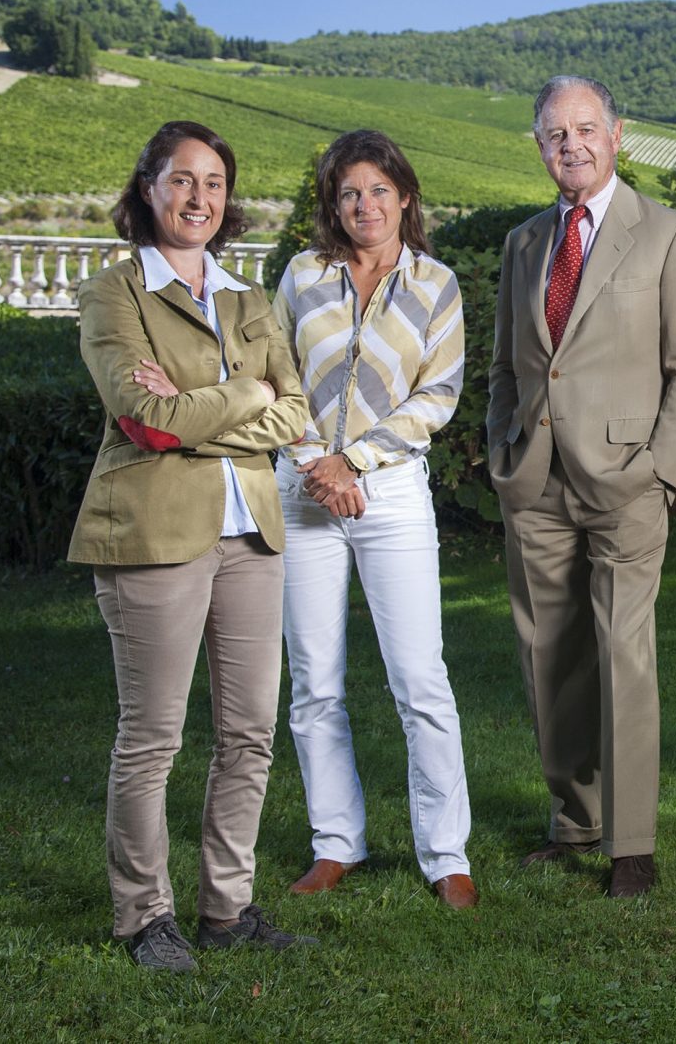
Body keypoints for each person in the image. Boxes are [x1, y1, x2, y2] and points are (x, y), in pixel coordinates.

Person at [68, 120, 313, 973]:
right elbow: (146, 419)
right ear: (148, 189)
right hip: (153, 534)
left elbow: (296, 413)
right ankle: (144, 916)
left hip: (252, 535)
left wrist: (206, 405)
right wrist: (249, 394)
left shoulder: (247, 298)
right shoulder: (115, 294)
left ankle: (227, 909)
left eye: (213, 182)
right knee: (153, 738)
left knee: (250, 733)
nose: (198, 197)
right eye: (181, 179)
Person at [487, 75, 676, 897]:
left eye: (585, 129)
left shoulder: (670, 234)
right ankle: (574, 820)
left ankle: (632, 843)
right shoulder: (522, 244)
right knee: (551, 657)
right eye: (555, 133)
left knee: (622, 652)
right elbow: (505, 366)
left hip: (627, 481)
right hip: (535, 482)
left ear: (617, 134)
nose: (571, 144)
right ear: (539, 146)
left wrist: (658, 471)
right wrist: (504, 449)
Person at [269, 129, 476, 909]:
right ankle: (335, 844)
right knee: (313, 682)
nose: (365, 204)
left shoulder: (436, 285)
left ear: (405, 196)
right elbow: (273, 377)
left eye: (379, 190)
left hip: (389, 494)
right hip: (304, 489)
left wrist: (352, 461)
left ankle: (446, 853)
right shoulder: (302, 275)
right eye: (350, 192)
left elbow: (437, 396)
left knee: (421, 679)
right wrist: (316, 464)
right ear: (334, 202)